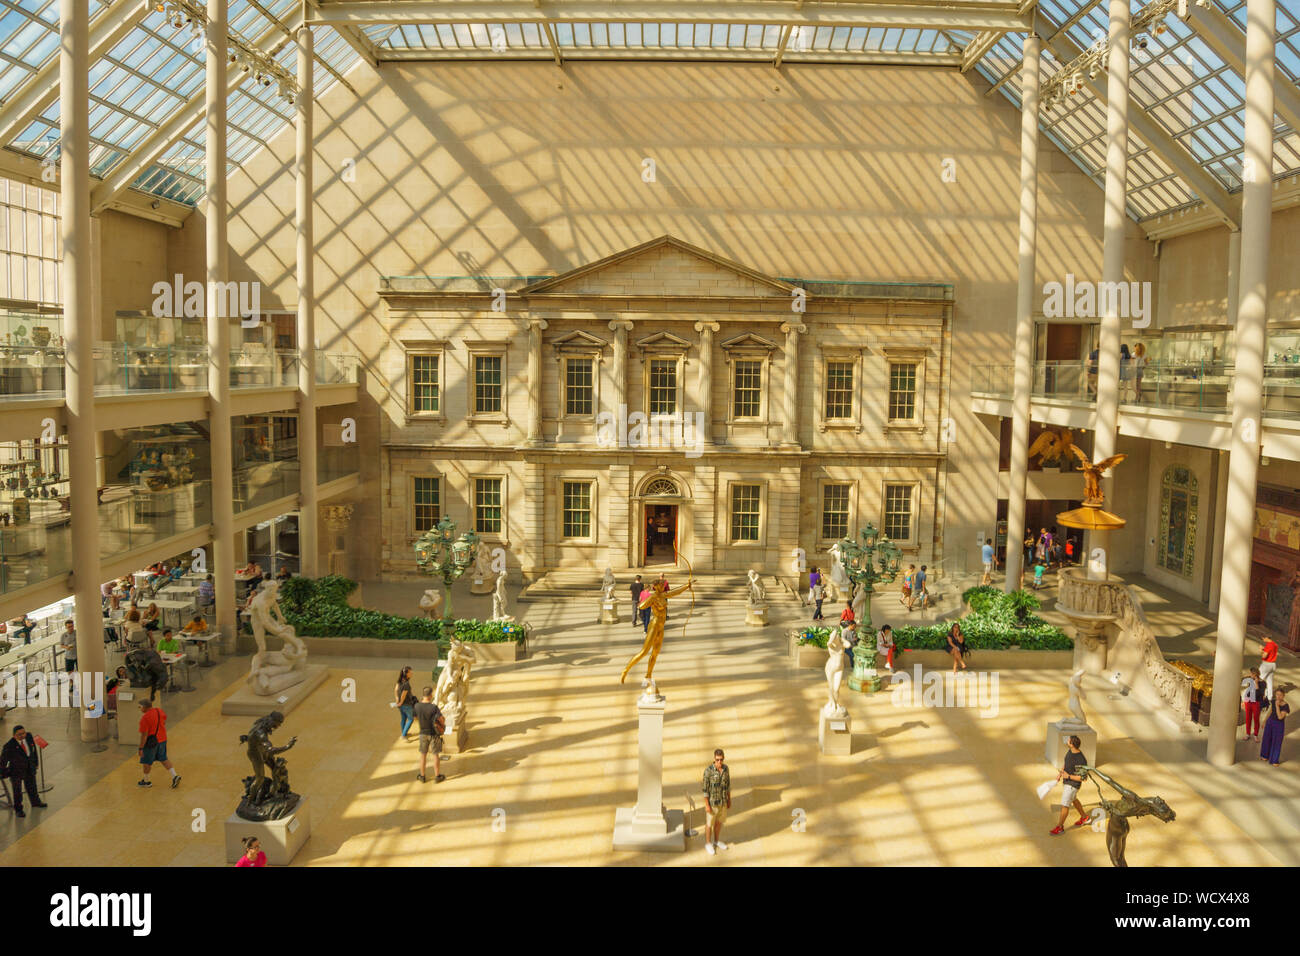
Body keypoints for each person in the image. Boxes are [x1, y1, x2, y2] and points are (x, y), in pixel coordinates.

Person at [0, 725, 47, 817]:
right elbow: (3, 761)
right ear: (14, 736)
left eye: (23, 733)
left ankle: (35, 802)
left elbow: (34, 751)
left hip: (29, 768)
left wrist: (36, 763)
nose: (22, 736)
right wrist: (2, 772)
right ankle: (18, 810)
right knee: (17, 791)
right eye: (19, 734)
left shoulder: (29, 737)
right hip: (16, 771)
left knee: (32, 787)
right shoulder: (9, 746)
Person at [1049, 735, 1090, 834]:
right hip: (1067, 782)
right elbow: (1066, 763)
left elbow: (1083, 778)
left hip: (1072, 785)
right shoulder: (1070, 751)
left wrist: (1068, 776)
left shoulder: (1081, 760)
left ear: (1072, 744)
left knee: (1065, 805)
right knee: (1074, 799)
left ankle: (1060, 827)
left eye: (1068, 741)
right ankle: (1085, 817)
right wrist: (1060, 774)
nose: (1067, 741)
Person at [136, 699, 180, 788]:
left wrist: (141, 748)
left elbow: (144, 736)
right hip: (162, 739)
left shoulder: (145, 718)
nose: (139, 709)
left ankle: (146, 781)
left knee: (146, 762)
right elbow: (164, 721)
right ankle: (174, 775)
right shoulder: (159, 711)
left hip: (151, 743)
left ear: (144, 707)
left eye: (140, 707)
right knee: (163, 758)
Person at [413, 685, 445, 784]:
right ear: (431, 695)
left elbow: (414, 718)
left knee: (423, 755)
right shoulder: (434, 707)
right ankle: (437, 776)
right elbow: (441, 719)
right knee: (435, 755)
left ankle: (422, 776)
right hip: (434, 734)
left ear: (423, 695)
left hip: (423, 733)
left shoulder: (417, 706)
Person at [702, 748, 731, 855]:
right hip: (712, 803)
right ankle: (708, 843)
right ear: (714, 759)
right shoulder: (708, 771)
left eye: (721, 760)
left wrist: (729, 800)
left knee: (719, 822)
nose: (719, 762)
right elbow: (705, 790)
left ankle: (716, 841)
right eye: (717, 760)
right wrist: (707, 805)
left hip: (722, 802)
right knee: (709, 824)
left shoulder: (726, 769)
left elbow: (728, 786)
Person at [1260, 689, 1289, 766]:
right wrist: (1264, 721)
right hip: (1270, 722)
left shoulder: (1285, 706)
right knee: (1266, 738)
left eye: (1280, 695)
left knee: (1277, 741)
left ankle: (1274, 760)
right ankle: (1265, 755)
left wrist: (1277, 706)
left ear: (1283, 696)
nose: (1278, 697)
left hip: (1278, 724)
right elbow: (1270, 712)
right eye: (1277, 695)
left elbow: (1280, 717)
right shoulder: (1273, 701)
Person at [1242, 667, 1265, 742]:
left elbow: (1259, 694)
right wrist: (1244, 701)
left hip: (1256, 703)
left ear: (1255, 674)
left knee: (1256, 719)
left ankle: (1255, 735)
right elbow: (1248, 691)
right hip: (1248, 702)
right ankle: (1248, 734)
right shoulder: (1251, 680)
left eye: (1251, 674)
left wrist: (1256, 684)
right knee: (1248, 718)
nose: (1250, 675)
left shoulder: (1263, 683)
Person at [395, 666, 416, 740]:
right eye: (410, 672)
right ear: (406, 674)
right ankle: (403, 735)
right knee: (411, 719)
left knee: (403, 718)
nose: (412, 673)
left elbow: (396, 690)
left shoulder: (400, 681)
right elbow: (404, 694)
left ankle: (404, 732)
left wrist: (397, 699)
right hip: (406, 704)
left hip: (400, 705)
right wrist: (401, 702)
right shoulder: (406, 684)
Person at [1260, 636, 1279, 705]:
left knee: (1258, 679)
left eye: (1263, 638)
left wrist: (1261, 650)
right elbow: (1271, 652)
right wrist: (1264, 649)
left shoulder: (1269, 645)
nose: (1263, 640)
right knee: (1269, 681)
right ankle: (1269, 697)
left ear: (1266, 637)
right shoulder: (1275, 644)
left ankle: (1256, 697)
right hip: (1273, 664)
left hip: (1266, 665)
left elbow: (1264, 656)